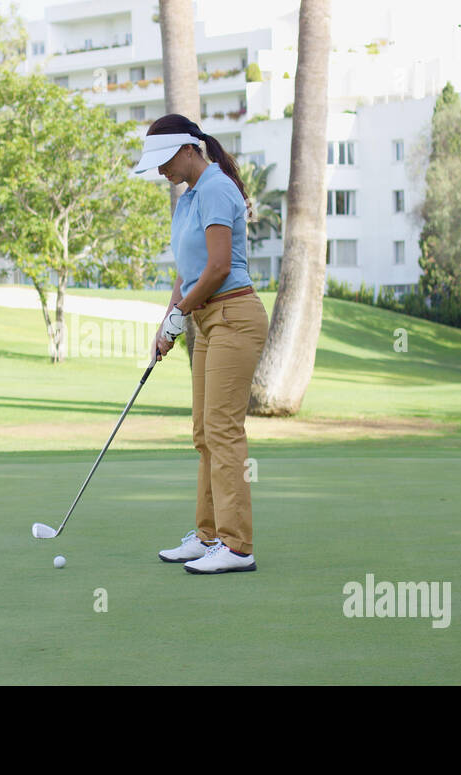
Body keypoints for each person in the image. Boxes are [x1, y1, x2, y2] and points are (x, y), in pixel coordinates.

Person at [131, 114, 269, 574]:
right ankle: (208, 536)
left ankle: (236, 546)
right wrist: (167, 321)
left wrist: (181, 315)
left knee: (224, 431)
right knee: (203, 432)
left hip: (234, 315)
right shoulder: (187, 201)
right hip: (207, 321)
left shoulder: (216, 188)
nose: (160, 172)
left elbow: (216, 268)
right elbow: (187, 272)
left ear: (189, 149)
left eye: (163, 161)